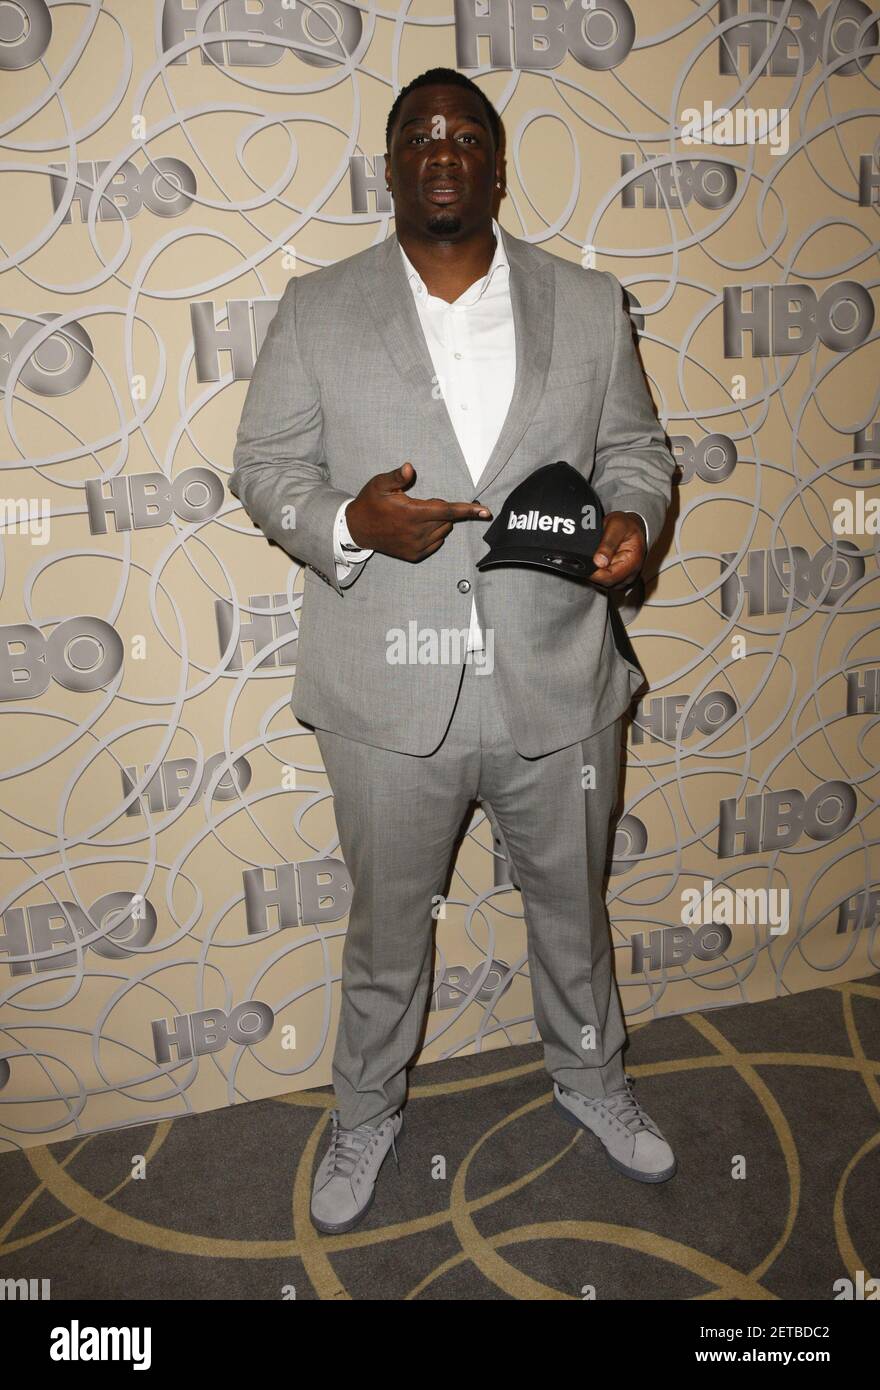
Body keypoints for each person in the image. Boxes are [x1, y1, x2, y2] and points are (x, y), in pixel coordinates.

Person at [229, 67, 678, 1236]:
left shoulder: (586, 302)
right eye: (418, 134)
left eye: (465, 133)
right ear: (389, 164)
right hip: (386, 693)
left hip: (562, 680)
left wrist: (634, 523)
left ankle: (591, 1080)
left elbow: (635, 449)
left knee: (573, 911)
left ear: (493, 163)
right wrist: (346, 524)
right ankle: (366, 1109)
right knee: (388, 928)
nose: (442, 148)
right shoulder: (317, 306)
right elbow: (265, 466)